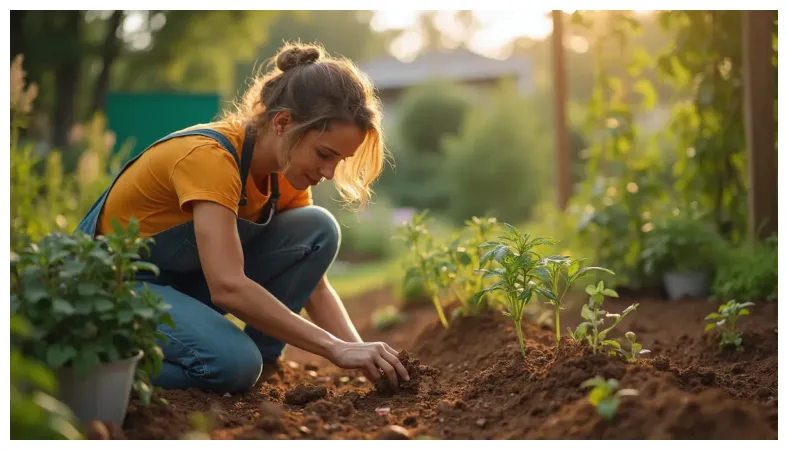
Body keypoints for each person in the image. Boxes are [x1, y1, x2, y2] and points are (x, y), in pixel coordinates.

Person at [75, 42, 409, 394]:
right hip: (117, 289)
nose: (328, 171)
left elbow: (316, 285)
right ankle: (96, 365)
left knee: (317, 229)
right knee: (233, 365)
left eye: (339, 161)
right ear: (283, 123)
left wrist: (362, 355)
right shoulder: (210, 158)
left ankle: (264, 363)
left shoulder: (285, 174)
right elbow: (227, 286)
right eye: (324, 154)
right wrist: (333, 348)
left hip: (177, 285)